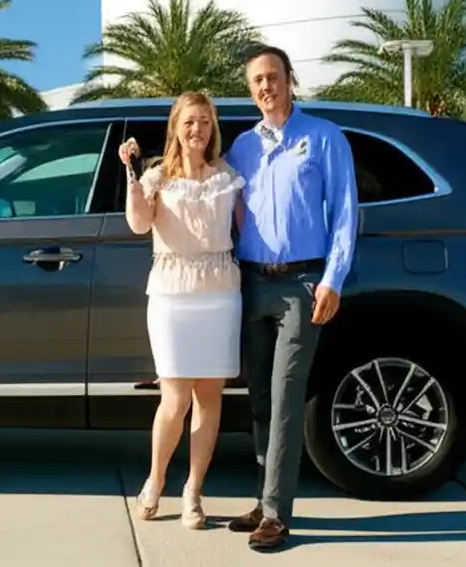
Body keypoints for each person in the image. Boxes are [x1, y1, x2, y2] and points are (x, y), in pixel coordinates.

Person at [222, 44, 360, 551]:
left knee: (284, 398)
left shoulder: (323, 138)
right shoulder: (242, 147)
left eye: (273, 76)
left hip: (302, 286)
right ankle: (263, 498)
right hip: (253, 283)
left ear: (289, 79)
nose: (265, 87)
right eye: (257, 80)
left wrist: (332, 279)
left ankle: (277, 514)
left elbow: (345, 212)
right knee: (258, 397)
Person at [120, 90, 245, 531]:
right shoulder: (157, 176)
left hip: (221, 292)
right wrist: (133, 177)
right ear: (176, 126)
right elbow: (138, 224)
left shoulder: (227, 175)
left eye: (205, 122)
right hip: (173, 293)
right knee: (173, 396)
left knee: (209, 396)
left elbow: (249, 231)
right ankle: (155, 480)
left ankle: (193, 490)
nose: (198, 130)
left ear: (213, 128)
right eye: (190, 121)